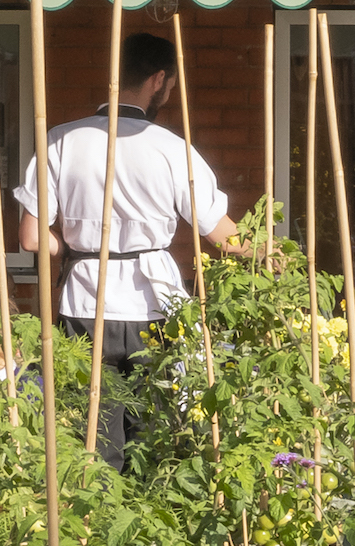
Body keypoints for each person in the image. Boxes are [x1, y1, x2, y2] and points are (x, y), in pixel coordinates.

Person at [13, 31, 239, 447]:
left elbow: (31, 238)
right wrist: (272, 252)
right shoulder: (172, 148)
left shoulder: (60, 139)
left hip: (83, 300)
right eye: (169, 87)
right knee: (154, 440)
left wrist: (73, 247)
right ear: (158, 80)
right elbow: (222, 235)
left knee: (94, 441)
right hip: (154, 305)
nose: (168, 94)